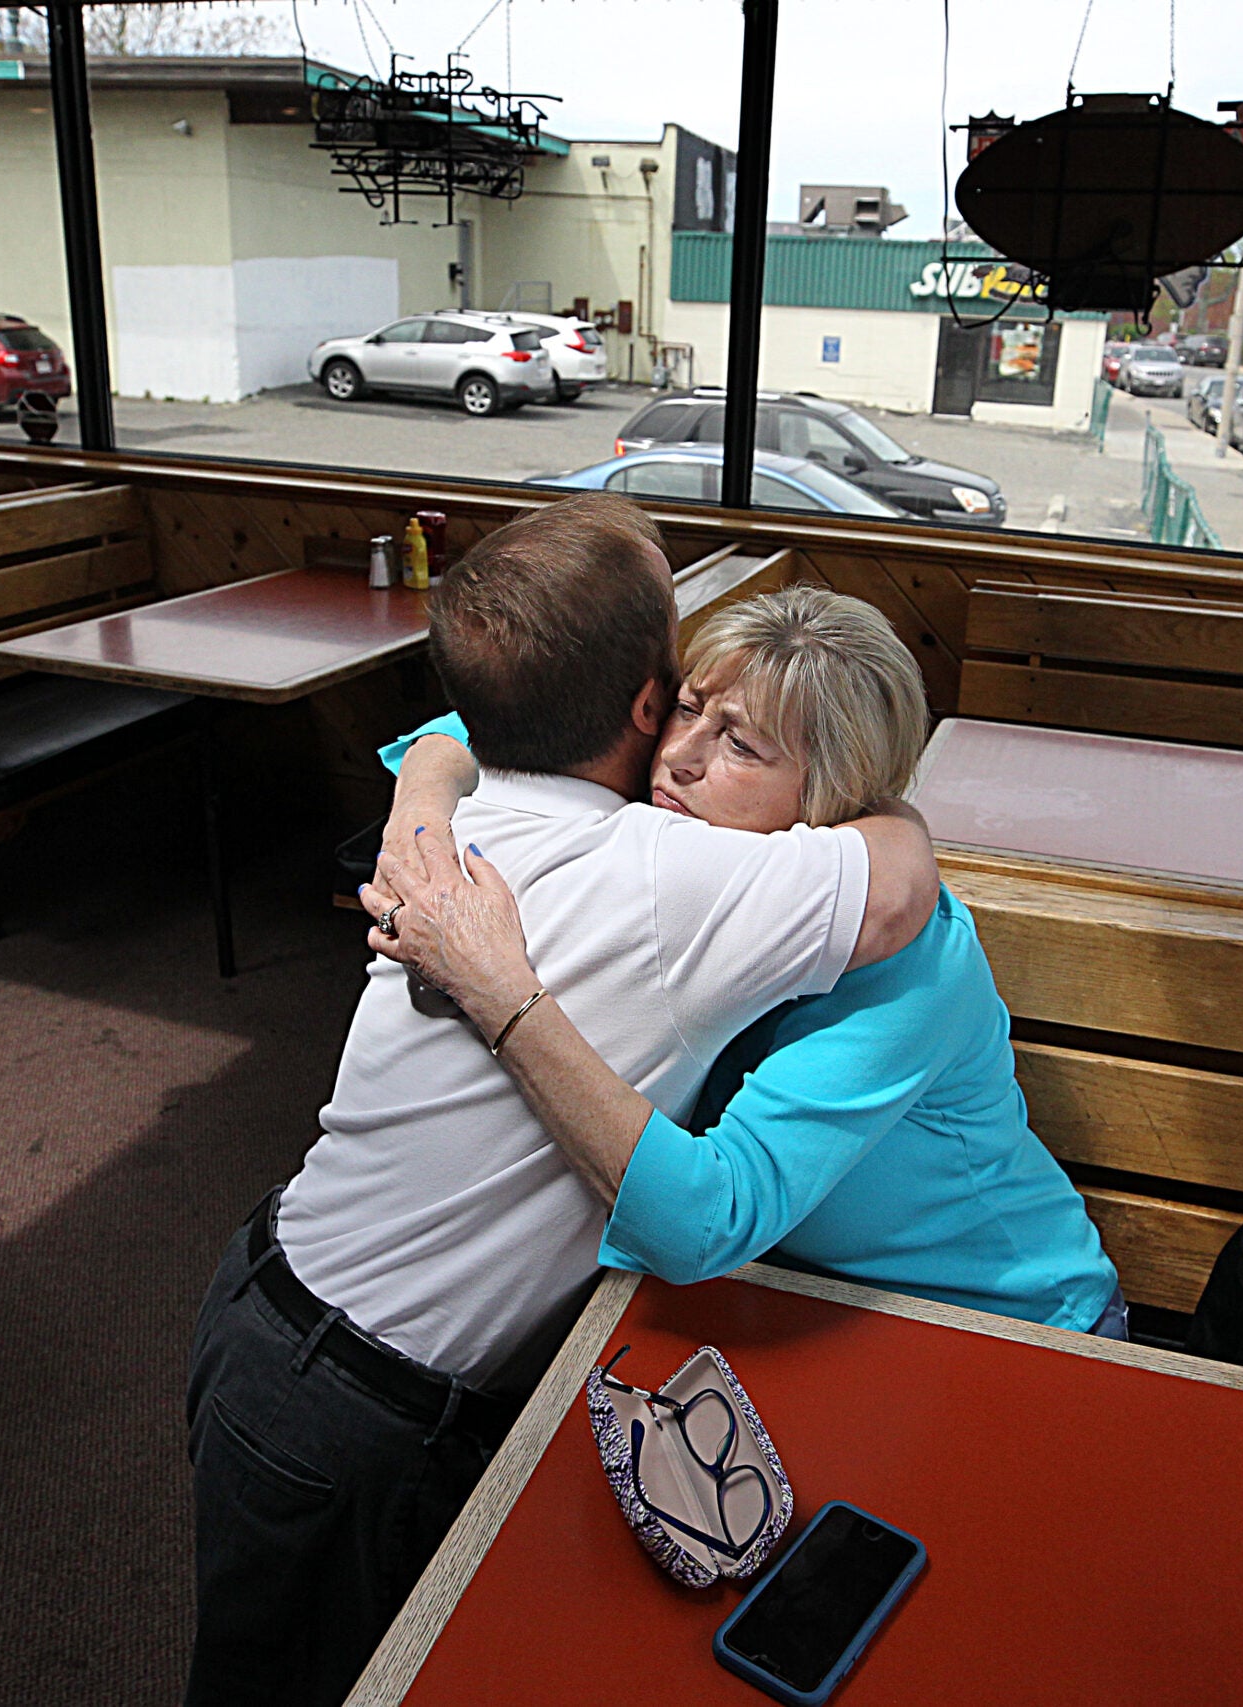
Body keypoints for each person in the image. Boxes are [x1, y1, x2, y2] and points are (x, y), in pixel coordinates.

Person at [183, 496, 942, 1707]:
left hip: (274, 1303)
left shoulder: (468, 819)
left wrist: (422, 788)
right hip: (354, 1402)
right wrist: (884, 782)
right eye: (686, 700)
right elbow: (900, 892)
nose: (695, 748)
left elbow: (441, 733)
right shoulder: (674, 876)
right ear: (647, 707)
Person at [367, 584, 1123, 1339]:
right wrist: (419, 805)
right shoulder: (693, 813)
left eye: (742, 744)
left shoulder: (913, 968)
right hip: (794, 1299)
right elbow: (476, 724)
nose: (680, 757)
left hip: (999, 1319)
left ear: (831, 794)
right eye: (688, 708)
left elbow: (707, 1220)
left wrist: (499, 989)